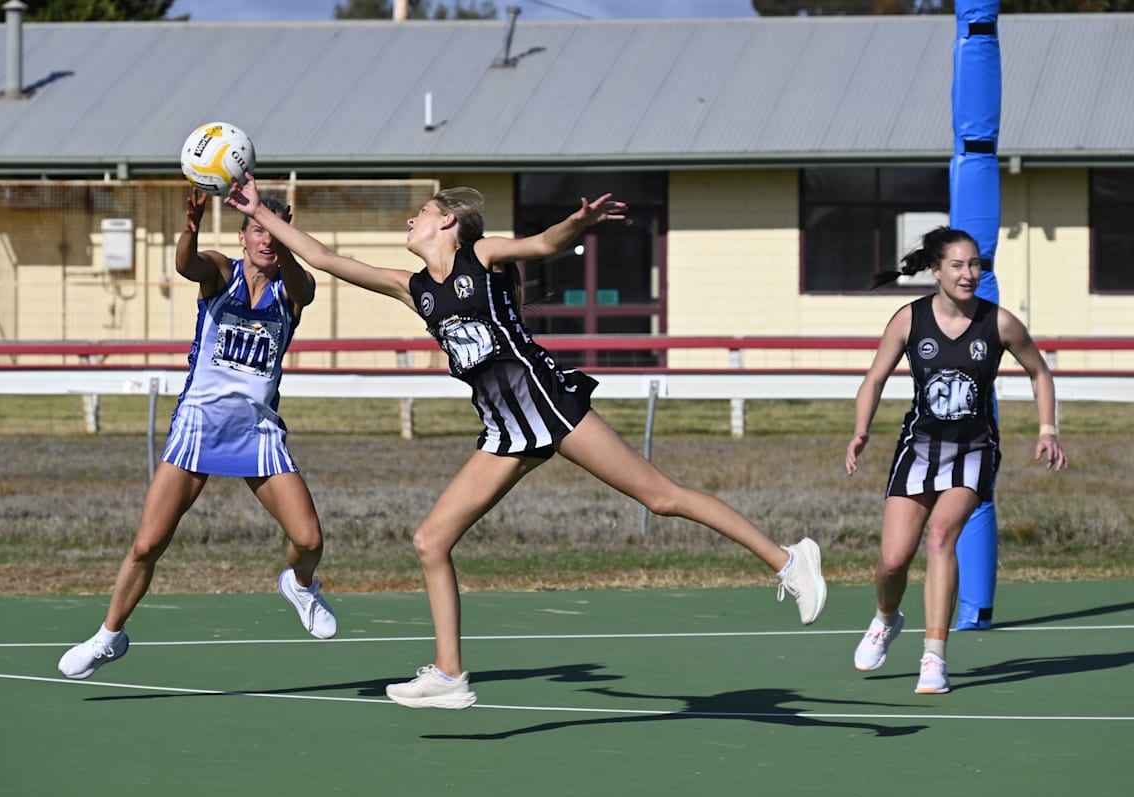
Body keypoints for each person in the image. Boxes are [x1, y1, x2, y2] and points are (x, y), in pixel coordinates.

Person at [225, 175, 828, 709]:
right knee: (430, 539)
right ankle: (450, 675)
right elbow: (326, 259)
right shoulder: (416, 289)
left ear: (448, 223)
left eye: (421, 212)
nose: (410, 221)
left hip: (551, 406)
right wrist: (259, 212)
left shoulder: (480, 257)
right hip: (504, 430)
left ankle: (787, 559)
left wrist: (577, 223)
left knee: (662, 498)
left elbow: (543, 244)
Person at [57, 189, 339, 680]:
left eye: (275, 230)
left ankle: (299, 585)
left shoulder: (293, 287)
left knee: (309, 538)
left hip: (257, 431)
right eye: (258, 230)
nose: (266, 239)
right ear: (242, 235)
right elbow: (187, 266)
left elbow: (304, 287)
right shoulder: (221, 272)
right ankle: (108, 637)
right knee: (147, 545)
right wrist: (189, 228)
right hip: (198, 426)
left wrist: (280, 233)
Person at [845, 226, 1067, 695]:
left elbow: (1040, 372)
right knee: (891, 561)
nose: (969, 274)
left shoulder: (999, 322)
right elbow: (874, 378)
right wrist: (861, 429)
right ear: (936, 270)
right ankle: (887, 619)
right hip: (919, 447)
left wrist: (1047, 430)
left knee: (942, 538)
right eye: (958, 265)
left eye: (975, 265)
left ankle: (934, 657)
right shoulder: (909, 320)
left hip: (974, 450)